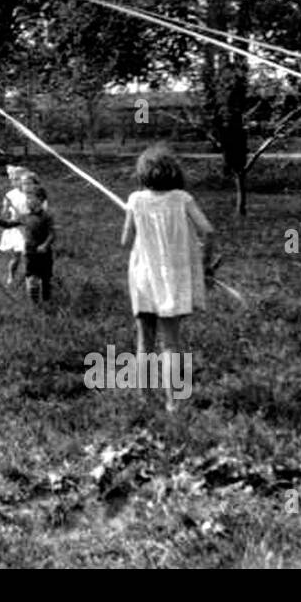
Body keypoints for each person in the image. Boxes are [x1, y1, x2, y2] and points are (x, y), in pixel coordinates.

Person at [120, 144, 215, 412]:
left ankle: (145, 398)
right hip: (172, 280)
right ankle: (174, 402)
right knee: (171, 342)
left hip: (142, 278)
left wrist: (137, 220)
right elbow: (208, 232)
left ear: (143, 174)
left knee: (144, 340)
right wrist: (206, 264)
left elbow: (125, 241)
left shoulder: (136, 200)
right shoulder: (182, 199)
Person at [17, 185, 55, 306]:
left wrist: (45, 245)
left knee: (45, 278)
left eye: (30, 198)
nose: (27, 201)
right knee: (31, 277)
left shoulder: (47, 216)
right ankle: (35, 304)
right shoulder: (25, 216)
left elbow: (52, 234)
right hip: (30, 252)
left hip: (44, 253)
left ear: (40, 200)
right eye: (26, 198)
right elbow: (8, 224)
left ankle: (47, 301)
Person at [0, 166, 30, 285]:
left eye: (17, 179)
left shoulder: (30, 193)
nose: (14, 182)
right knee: (16, 257)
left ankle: (29, 279)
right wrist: (7, 206)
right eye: (12, 179)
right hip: (15, 227)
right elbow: (4, 214)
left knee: (27, 254)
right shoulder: (10, 195)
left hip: (28, 227)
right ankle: (11, 277)